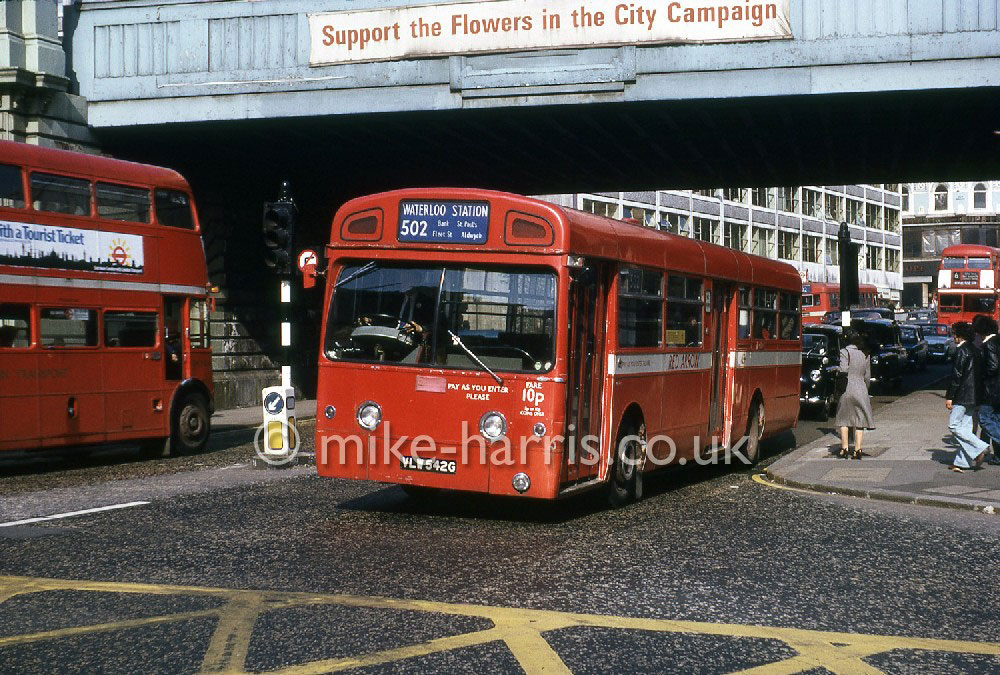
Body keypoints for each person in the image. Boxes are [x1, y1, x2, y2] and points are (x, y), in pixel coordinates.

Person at [945, 322, 989, 473]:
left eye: (954, 334)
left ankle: (979, 447)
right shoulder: (976, 350)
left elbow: (957, 375)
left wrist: (950, 396)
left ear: (959, 335)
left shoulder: (961, 351)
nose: (953, 337)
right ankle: (962, 462)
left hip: (962, 395)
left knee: (954, 425)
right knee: (965, 428)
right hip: (974, 395)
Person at [835, 328, 875, 459]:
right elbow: (867, 376)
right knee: (860, 421)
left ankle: (844, 448)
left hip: (847, 388)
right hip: (861, 389)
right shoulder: (865, 354)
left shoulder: (844, 352)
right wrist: (865, 388)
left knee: (844, 419)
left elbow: (843, 369)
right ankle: (858, 450)